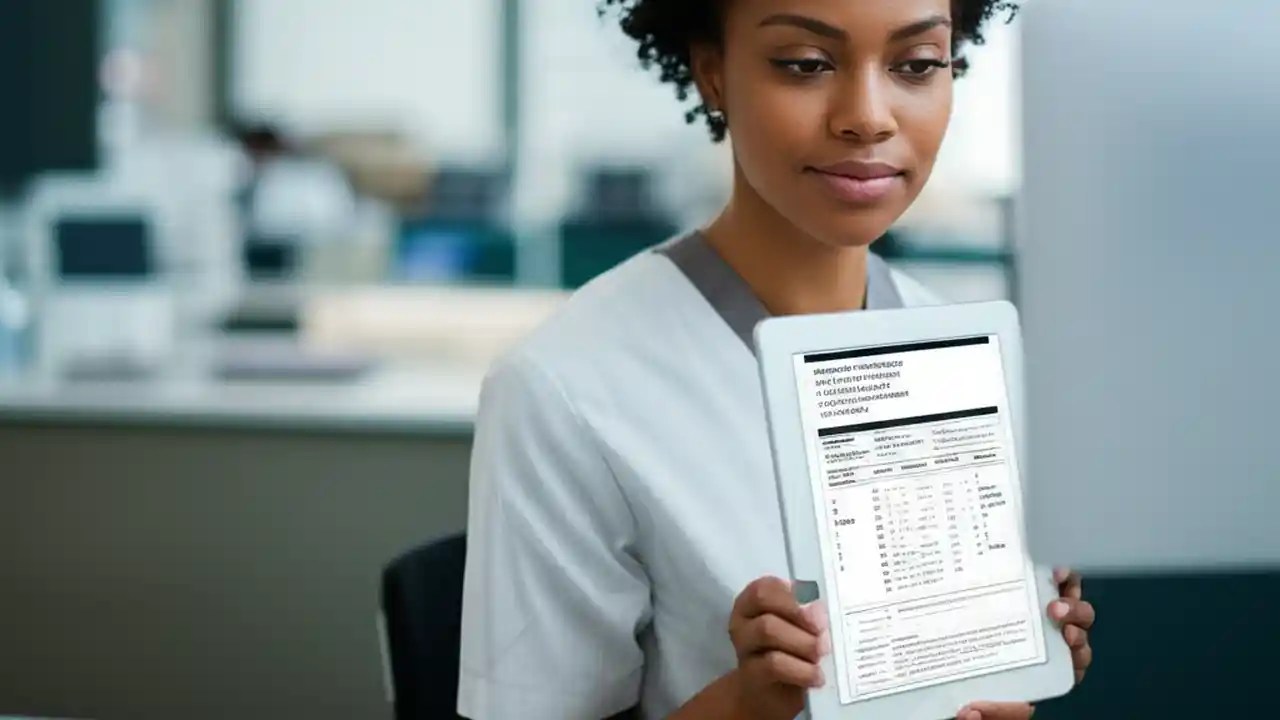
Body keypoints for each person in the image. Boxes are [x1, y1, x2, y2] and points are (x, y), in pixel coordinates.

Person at [458, 1, 1096, 718]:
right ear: (713, 75)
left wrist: (1010, 659)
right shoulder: (562, 388)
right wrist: (745, 707)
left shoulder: (967, 351)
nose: (868, 117)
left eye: (917, 65)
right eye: (805, 64)